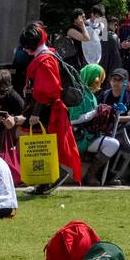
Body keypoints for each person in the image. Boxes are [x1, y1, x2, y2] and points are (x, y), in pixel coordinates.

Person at [16, 22, 82, 193]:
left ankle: (49, 179)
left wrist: (36, 112)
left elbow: (48, 90)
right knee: (49, 145)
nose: (24, 49)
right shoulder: (48, 55)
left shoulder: (45, 61)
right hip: (46, 107)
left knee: (46, 145)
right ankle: (44, 182)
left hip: (46, 109)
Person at [70, 63, 123, 184]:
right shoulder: (77, 94)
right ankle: (90, 175)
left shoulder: (91, 95)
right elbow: (72, 120)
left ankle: (91, 174)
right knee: (112, 144)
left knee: (113, 142)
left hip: (90, 135)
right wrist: (95, 113)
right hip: (77, 137)